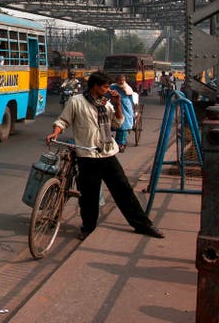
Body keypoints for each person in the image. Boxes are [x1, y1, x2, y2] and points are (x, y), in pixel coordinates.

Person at [46, 71, 164, 241]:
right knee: (88, 196)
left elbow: (117, 123)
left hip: (107, 154)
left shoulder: (106, 104)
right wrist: (55, 133)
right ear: (95, 86)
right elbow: (63, 121)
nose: (108, 89)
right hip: (87, 155)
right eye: (105, 86)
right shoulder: (77, 102)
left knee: (124, 190)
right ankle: (88, 228)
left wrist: (117, 105)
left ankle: (143, 225)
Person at [110, 74, 137, 152]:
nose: (121, 81)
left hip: (125, 107)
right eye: (119, 80)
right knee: (118, 126)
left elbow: (131, 98)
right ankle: (117, 142)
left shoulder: (127, 87)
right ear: (116, 80)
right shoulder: (113, 87)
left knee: (123, 127)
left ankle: (121, 143)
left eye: (122, 80)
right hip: (115, 106)